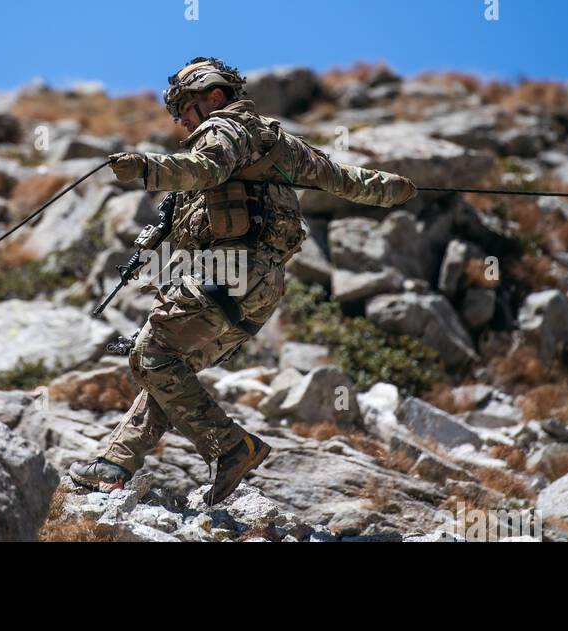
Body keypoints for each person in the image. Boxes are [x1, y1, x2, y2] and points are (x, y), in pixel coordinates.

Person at [69, 57, 418, 506]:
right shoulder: (280, 143)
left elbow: (206, 169)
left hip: (229, 272)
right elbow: (346, 181)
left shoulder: (224, 130)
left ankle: (232, 447)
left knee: (152, 353)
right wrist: (396, 189)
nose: (180, 121)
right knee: (171, 368)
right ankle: (116, 464)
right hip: (261, 289)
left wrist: (147, 169)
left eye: (184, 109)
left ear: (214, 97)